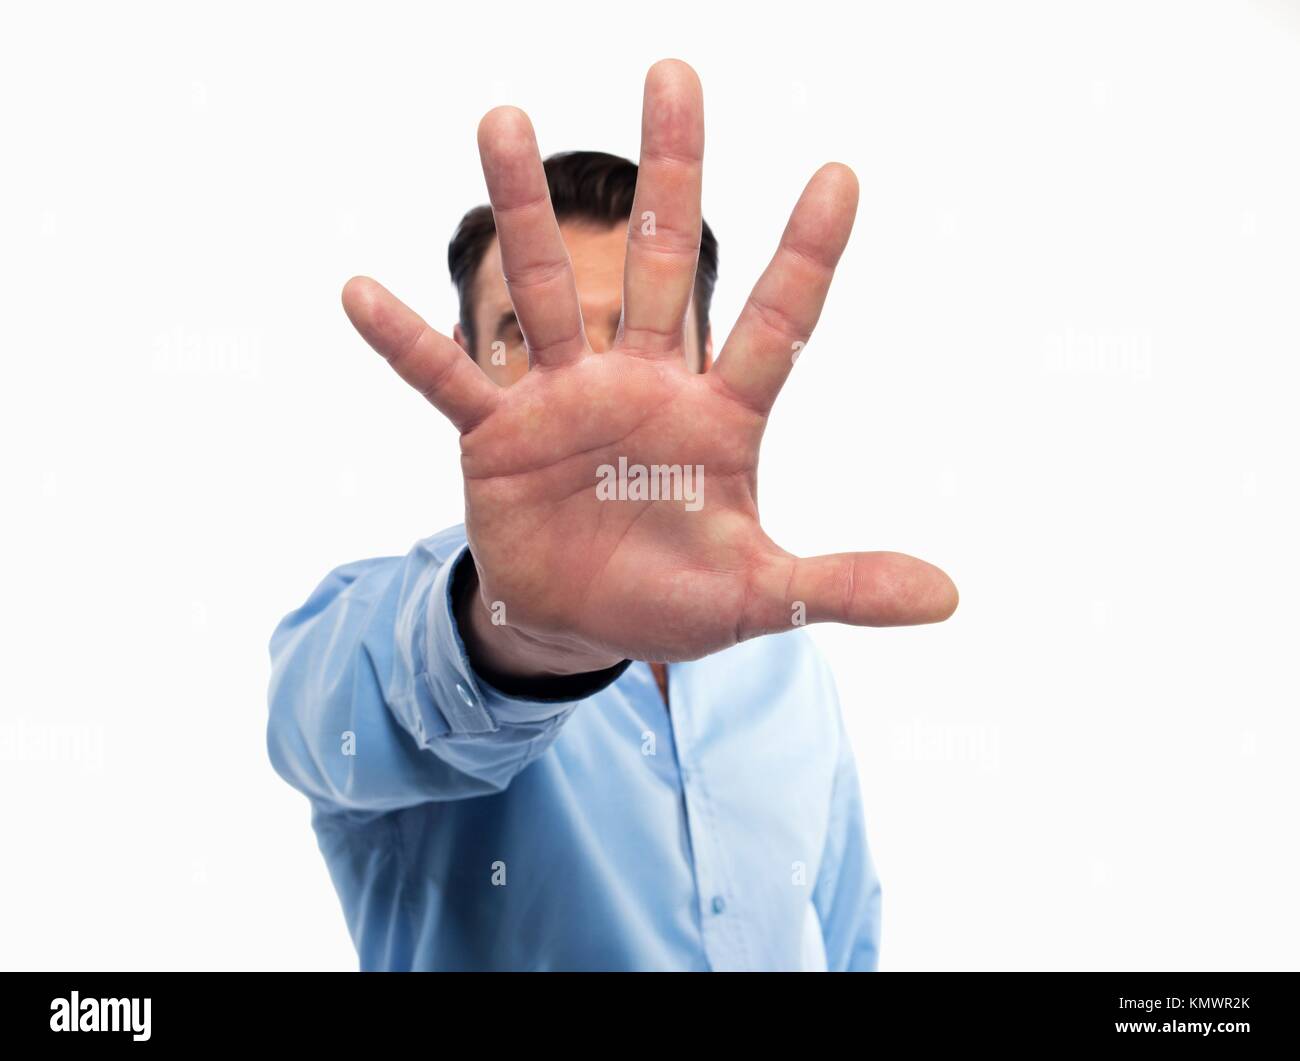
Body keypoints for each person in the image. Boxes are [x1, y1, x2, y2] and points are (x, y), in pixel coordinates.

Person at [266, 59, 957, 971]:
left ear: (711, 353)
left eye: (637, 328)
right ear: (466, 358)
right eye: (528, 335)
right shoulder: (393, 632)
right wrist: (528, 645)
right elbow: (318, 722)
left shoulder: (787, 667)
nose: (596, 387)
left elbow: (846, 934)